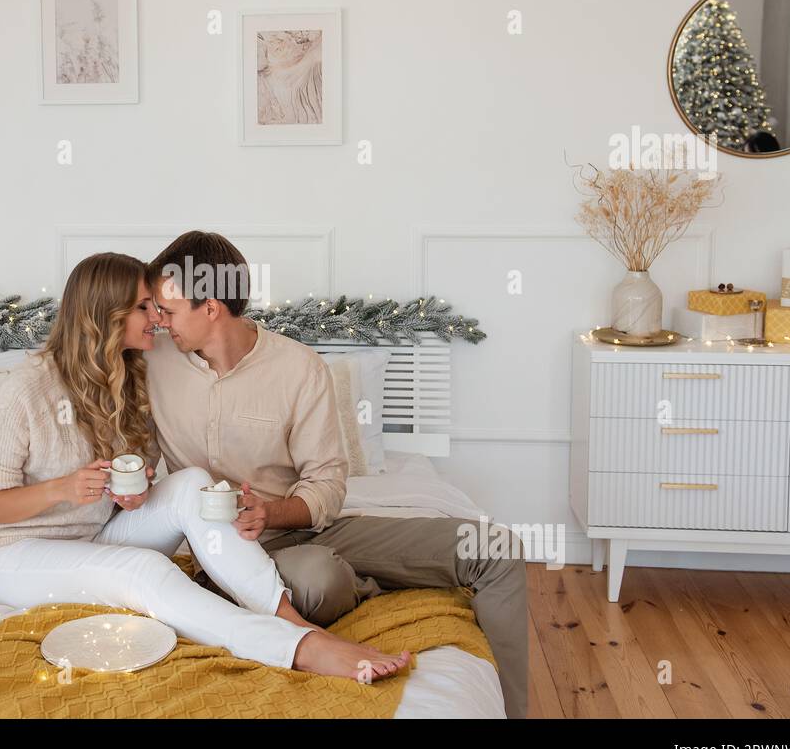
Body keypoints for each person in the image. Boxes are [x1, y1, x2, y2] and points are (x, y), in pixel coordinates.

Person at [0, 251, 411, 682]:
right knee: (146, 571)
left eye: (160, 308)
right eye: (145, 307)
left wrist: (134, 493)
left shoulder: (127, 376)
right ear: (107, 313)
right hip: (11, 556)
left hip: (95, 539)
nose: (158, 318)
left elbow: (140, 473)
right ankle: (298, 649)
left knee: (197, 484)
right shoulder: (26, 389)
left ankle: (291, 621)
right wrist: (61, 489)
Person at [144, 231, 528, 718]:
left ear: (212, 307)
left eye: (168, 310)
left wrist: (270, 511)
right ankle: (360, 586)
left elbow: (326, 483)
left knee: (499, 550)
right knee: (321, 581)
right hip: (225, 553)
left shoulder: (299, 368)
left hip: (303, 529)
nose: (157, 321)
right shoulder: (153, 362)